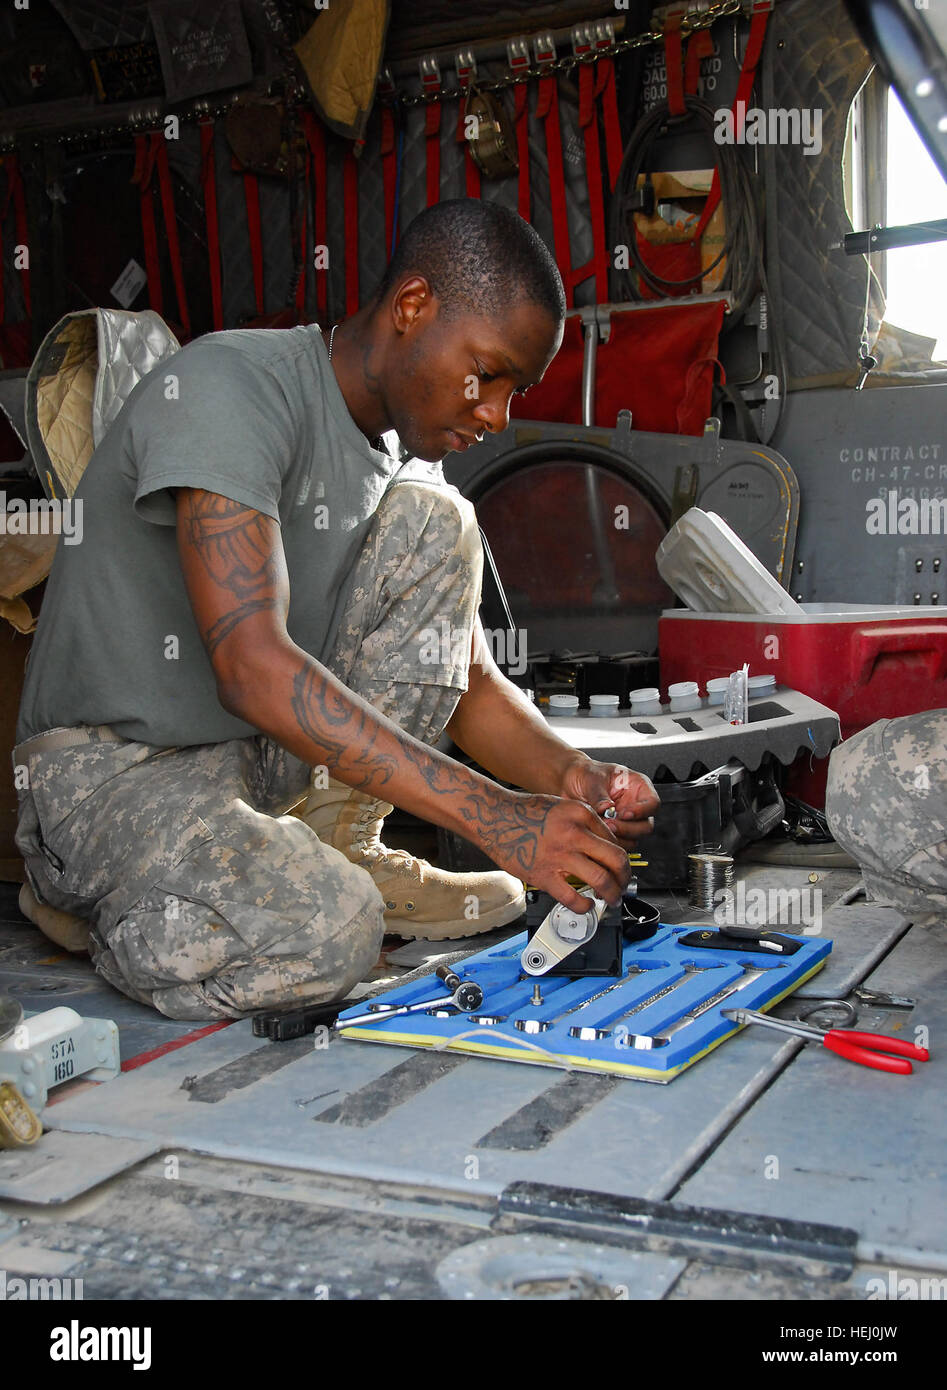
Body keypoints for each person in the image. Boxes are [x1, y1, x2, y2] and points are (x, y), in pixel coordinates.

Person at [13, 198, 659, 1021]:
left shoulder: (407, 459)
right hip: (113, 777)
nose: (496, 414)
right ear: (412, 305)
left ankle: (338, 850)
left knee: (440, 521)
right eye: (487, 373)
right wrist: (495, 815)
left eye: (514, 390)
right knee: (330, 935)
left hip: (249, 764)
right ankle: (102, 906)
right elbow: (250, 667)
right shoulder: (229, 386)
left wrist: (574, 777)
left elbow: (464, 684)